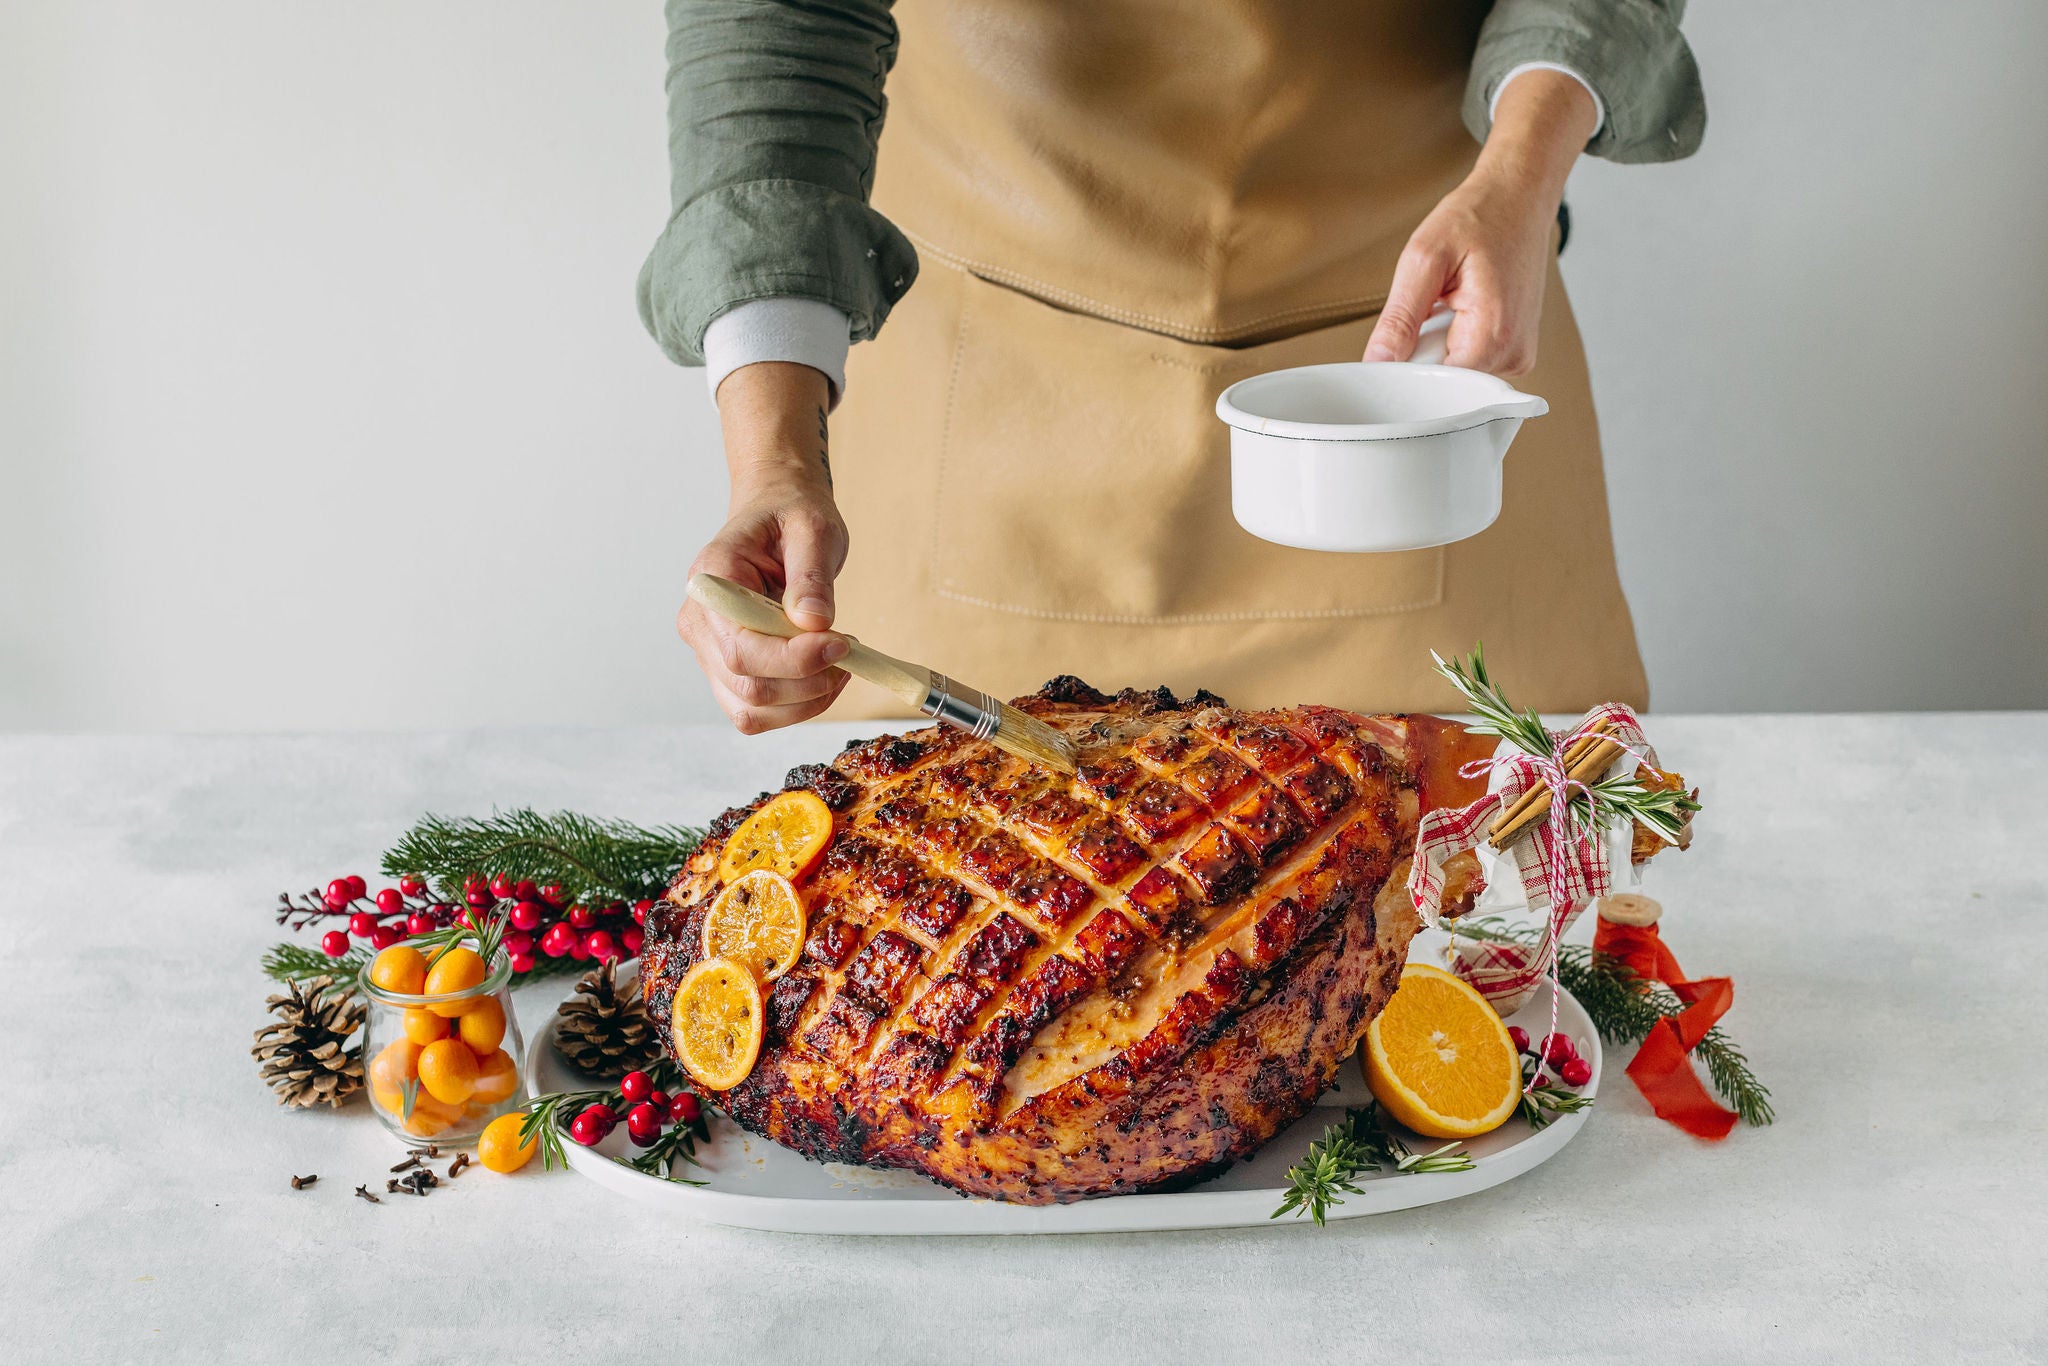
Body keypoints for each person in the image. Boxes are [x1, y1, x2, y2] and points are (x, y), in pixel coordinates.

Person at [640, 1, 1704, 733]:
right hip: (988, 388)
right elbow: (774, 30)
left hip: (1418, 355)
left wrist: (1518, 172)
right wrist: (772, 457)